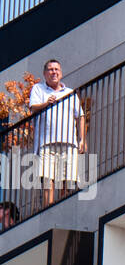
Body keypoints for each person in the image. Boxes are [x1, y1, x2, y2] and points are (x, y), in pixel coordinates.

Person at [28, 59, 86, 207]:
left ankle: (63, 208)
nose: (54, 72)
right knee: (48, 179)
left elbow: (80, 116)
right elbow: (33, 108)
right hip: (46, 143)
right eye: (50, 69)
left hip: (68, 142)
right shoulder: (38, 89)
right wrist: (46, 103)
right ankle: (49, 210)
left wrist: (82, 139)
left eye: (56, 69)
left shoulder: (70, 93)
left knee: (68, 179)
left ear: (61, 73)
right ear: (45, 73)